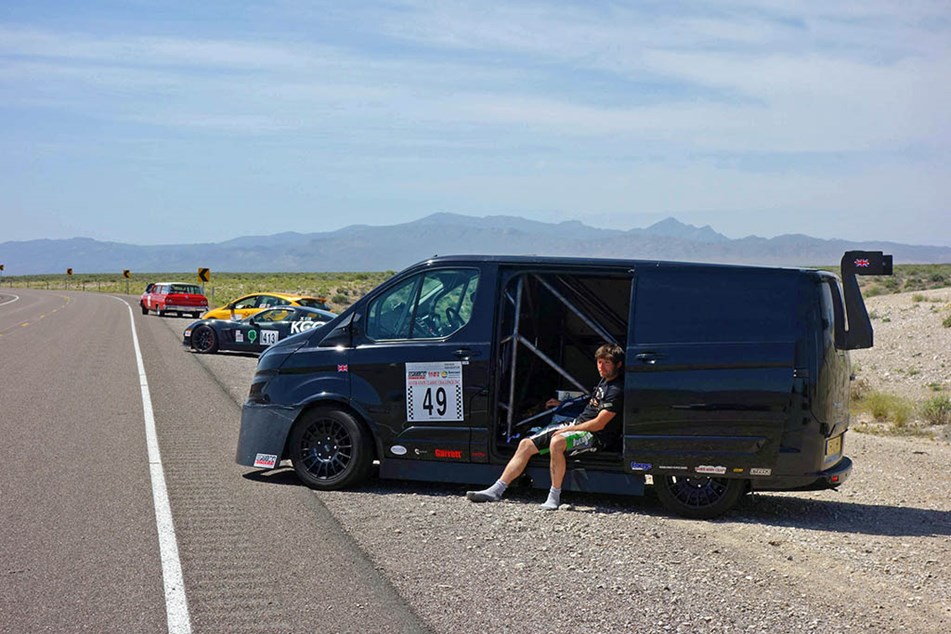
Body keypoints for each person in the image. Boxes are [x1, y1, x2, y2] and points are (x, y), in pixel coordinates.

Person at [466, 343, 624, 510]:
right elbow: (591, 405)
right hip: (578, 424)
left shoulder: (616, 389)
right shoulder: (604, 381)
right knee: (525, 444)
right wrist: (563, 404)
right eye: (599, 362)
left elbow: (599, 423)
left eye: (606, 362)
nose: (601, 367)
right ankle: (496, 490)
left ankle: (553, 497)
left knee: (557, 442)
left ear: (618, 364)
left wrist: (568, 429)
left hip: (597, 436)